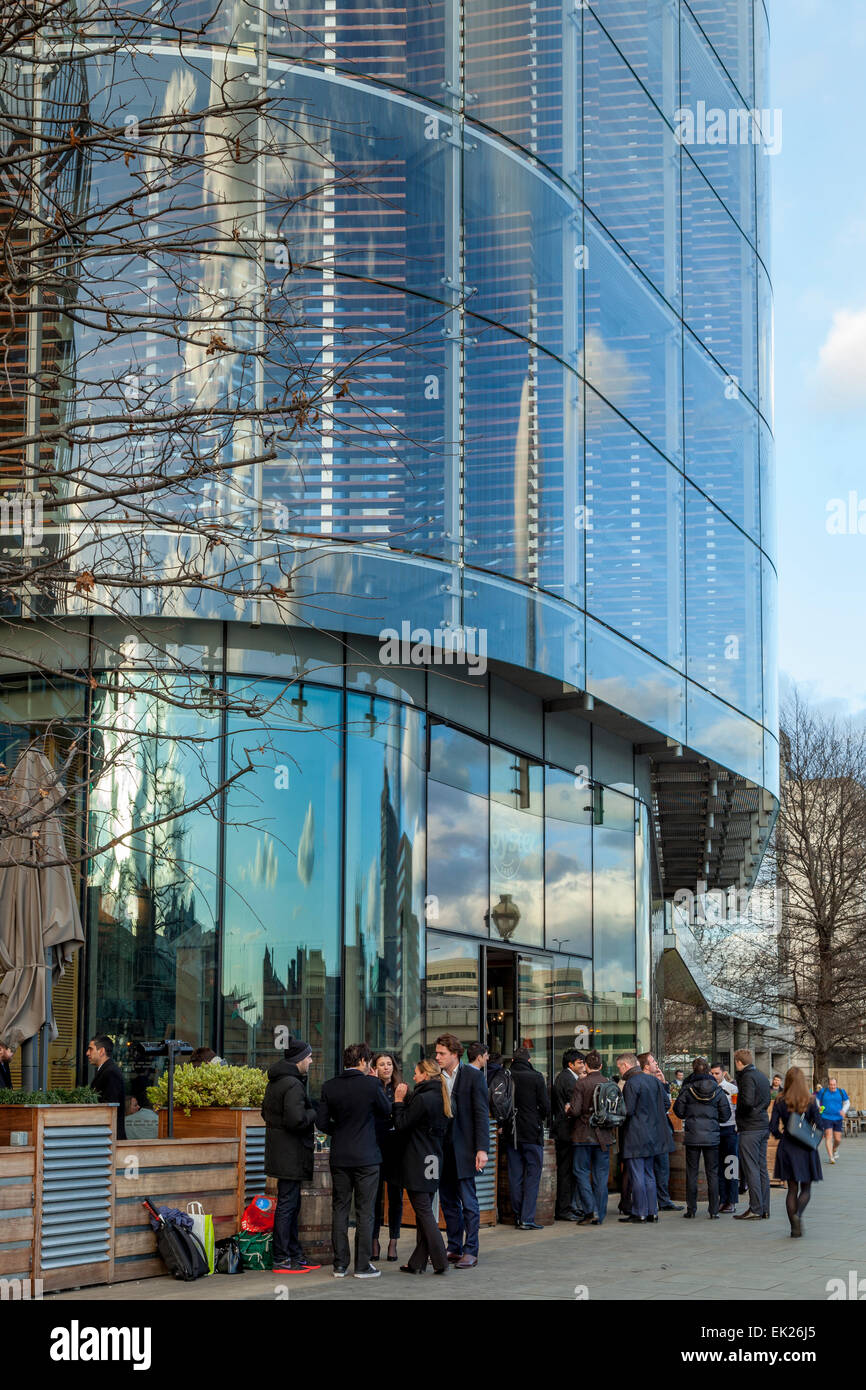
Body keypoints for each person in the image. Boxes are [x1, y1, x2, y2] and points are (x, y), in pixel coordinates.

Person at [316, 1042, 391, 1278]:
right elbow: (386, 1110)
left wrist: (338, 1131)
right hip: (367, 1156)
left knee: (339, 1209)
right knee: (365, 1211)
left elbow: (321, 1121)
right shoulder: (371, 1084)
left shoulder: (330, 1086)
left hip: (340, 1155)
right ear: (363, 1062)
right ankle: (362, 1265)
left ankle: (339, 1265)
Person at [261, 1036, 321, 1274]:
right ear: (298, 1060)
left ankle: (294, 1255)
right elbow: (296, 1120)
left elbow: (266, 1114)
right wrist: (313, 1113)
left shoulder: (276, 1082)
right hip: (291, 1153)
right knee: (288, 1205)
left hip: (280, 1151)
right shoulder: (293, 1084)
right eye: (309, 1057)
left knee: (290, 1204)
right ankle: (283, 1258)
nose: (311, 1060)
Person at [434, 1033, 489, 1268]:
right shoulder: (435, 1077)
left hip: (465, 1148)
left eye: (441, 1053)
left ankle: (471, 1249)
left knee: (469, 1201)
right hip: (441, 1149)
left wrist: (482, 1149)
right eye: (436, 1053)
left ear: (455, 1054)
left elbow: (481, 1114)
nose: (437, 1057)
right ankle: (454, 1246)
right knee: (447, 1202)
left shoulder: (473, 1076)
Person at [393, 1059, 452, 1275]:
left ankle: (440, 1260)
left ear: (425, 1075)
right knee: (424, 1212)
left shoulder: (423, 1099)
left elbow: (402, 1125)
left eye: (417, 1073)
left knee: (424, 1212)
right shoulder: (441, 1097)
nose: (414, 1077)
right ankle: (417, 1263)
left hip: (418, 1160)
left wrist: (398, 1101)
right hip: (434, 1159)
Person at [673, 1057, 731, 1219]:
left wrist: (689, 1115)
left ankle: (691, 1210)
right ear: (707, 1070)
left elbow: (678, 1110)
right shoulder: (717, 1090)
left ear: (693, 1070)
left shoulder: (688, 1088)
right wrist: (713, 1120)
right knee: (712, 1173)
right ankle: (713, 1211)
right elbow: (725, 1115)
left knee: (691, 1173)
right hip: (712, 1136)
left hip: (692, 1135)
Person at [617, 1052, 672, 1223]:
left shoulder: (631, 1083)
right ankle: (652, 1211)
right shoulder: (654, 1081)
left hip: (636, 1135)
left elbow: (629, 1110)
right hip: (654, 1134)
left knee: (637, 1174)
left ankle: (639, 1211)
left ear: (626, 1066)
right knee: (649, 1173)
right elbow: (666, 1104)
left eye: (619, 1067)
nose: (619, 1070)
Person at [770, 1066, 823, 1237]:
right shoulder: (811, 1100)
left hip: (787, 1147)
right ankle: (798, 1215)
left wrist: (781, 1135)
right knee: (806, 1188)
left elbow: (772, 1127)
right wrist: (814, 1141)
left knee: (791, 1189)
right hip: (806, 1148)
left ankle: (794, 1228)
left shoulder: (779, 1100)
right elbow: (820, 1126)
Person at [503, 1047, 549, 1230]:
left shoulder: (506, 1075)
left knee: (515, 1175)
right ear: (529, 1060)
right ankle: (527, 1218)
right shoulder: (536, 1077)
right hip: (531, 1131)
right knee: (532, 1174)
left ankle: (517, 1215)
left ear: (513, 1060)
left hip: (511, 1131)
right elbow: (545, 1106)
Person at [570, 1049, 616, 1225]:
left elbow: (575, 1110)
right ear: (601, 1066)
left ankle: (590, 1210)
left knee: (580, 1171)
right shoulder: (607, 1082)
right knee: (601, 1175)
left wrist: (568, 1109)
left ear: (586, 1066)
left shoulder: (581, 1084)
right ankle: (600, 1213)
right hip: (604, 1136)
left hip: (583, 1134)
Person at [638, 1052, 683, 1213]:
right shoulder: (641, 1083)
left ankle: (661, 1200)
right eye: (653, 1061)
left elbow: (665, 1104)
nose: (656, 1064)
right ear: (645, 1066)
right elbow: (664, 1105)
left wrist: (663, 1084)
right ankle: (653, 1202)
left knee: (661, 1168)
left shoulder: (655, 1082)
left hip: (659, 1131)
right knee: (650, 1169)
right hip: (651, 1132)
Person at [370, 1051, 403, 1263]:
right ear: (375, 1067)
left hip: (396, 1148)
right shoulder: (371, 1088)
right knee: (374, 1197)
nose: (386, 1067)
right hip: (374, 1146)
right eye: (381, 1064)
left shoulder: (400, 1088)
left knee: (395, 1197)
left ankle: (393, 1241)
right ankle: (374, 1240)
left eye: (389, 1064)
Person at [732, 1048, 771, 1221]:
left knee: (751, 1168)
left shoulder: (747, 1077)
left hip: (750, 1128)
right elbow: (767, 1099)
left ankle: (755, 1208)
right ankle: (764, 1208)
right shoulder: (761, 1075)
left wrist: (739, 1112)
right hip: (762, 1125)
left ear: (738, 1062)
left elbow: (746, 1102)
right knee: (761, 1168)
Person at [551, 1048, 585, 1220]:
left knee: (569, 1170)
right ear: (570, 1064)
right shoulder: (567, 1079)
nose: (583, 1065)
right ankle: (564, 1209)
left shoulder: (567, 1077)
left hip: (565, 1130)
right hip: (565, 1131)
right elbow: (576, 1104)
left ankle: (568, 1206)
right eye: (580, 1062)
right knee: (565, 1171)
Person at [710, 1061, 739, 1213]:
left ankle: (732, 1200)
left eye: (717, 1073)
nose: (714, 1076)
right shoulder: (710, 1089)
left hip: (729, 1129)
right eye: (712, 1073)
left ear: (723, 1073)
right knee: (719, 1166)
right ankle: (722, 1199)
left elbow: (736, 1108)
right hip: (715, 1129)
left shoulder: (732, 1089)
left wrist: (736, 1127)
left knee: (731, 1165)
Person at [87, 1035, 126, 1139]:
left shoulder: (111, 1072)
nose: (87, 1053)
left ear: (101, 1051)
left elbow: (109, 1107)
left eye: (90, 1049)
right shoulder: (106, 1070)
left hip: (109, 1137)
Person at [815, 1077, 849, 1164]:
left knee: (838, 1139)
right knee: (828, 1136)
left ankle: (834, 1149)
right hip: (826, 1117)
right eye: (831, 1085)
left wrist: (844, 1110)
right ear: (828, 1085)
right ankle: (831, 1157)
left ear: (836, 1085)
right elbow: (817, 1099)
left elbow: (847, 1102)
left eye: (834, 1085)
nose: (832, 1086)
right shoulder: (823, 1091)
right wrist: (818, 1107)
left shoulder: (841, 1092)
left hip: (838, 1118)